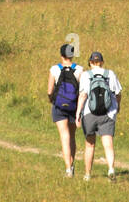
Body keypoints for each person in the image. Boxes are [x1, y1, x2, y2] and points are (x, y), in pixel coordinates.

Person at [75, 50, 122, 181]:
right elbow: (117, 93)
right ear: (102, 62)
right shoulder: (110, 74)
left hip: (89, 113)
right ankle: (111, 169)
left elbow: (83, 95)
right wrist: (117, 106)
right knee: (108, 144)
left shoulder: (85, 75)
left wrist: (78, 112)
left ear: (90, 62)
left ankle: (87, 174)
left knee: (90, 145)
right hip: (108, 113)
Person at [47, 43, 82, 177]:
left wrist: (52, 100)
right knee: (72, 137)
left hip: (59, 106)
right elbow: (83, 90)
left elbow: (50, 90)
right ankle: (72, 165)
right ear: (72, 55)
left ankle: (68, 169)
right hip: (74, 106)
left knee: (64, 136)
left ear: (61, 55)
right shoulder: (79, 69)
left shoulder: (54, 69)